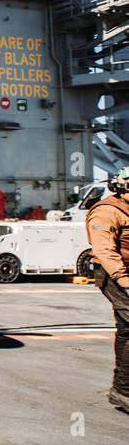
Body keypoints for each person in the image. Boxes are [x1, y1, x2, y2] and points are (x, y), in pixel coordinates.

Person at [83, 168, 129, 415]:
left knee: (126, 329)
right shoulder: (107, 211)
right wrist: (125, 281)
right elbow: (104, 251)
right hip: (113, 274)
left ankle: (122, 390)